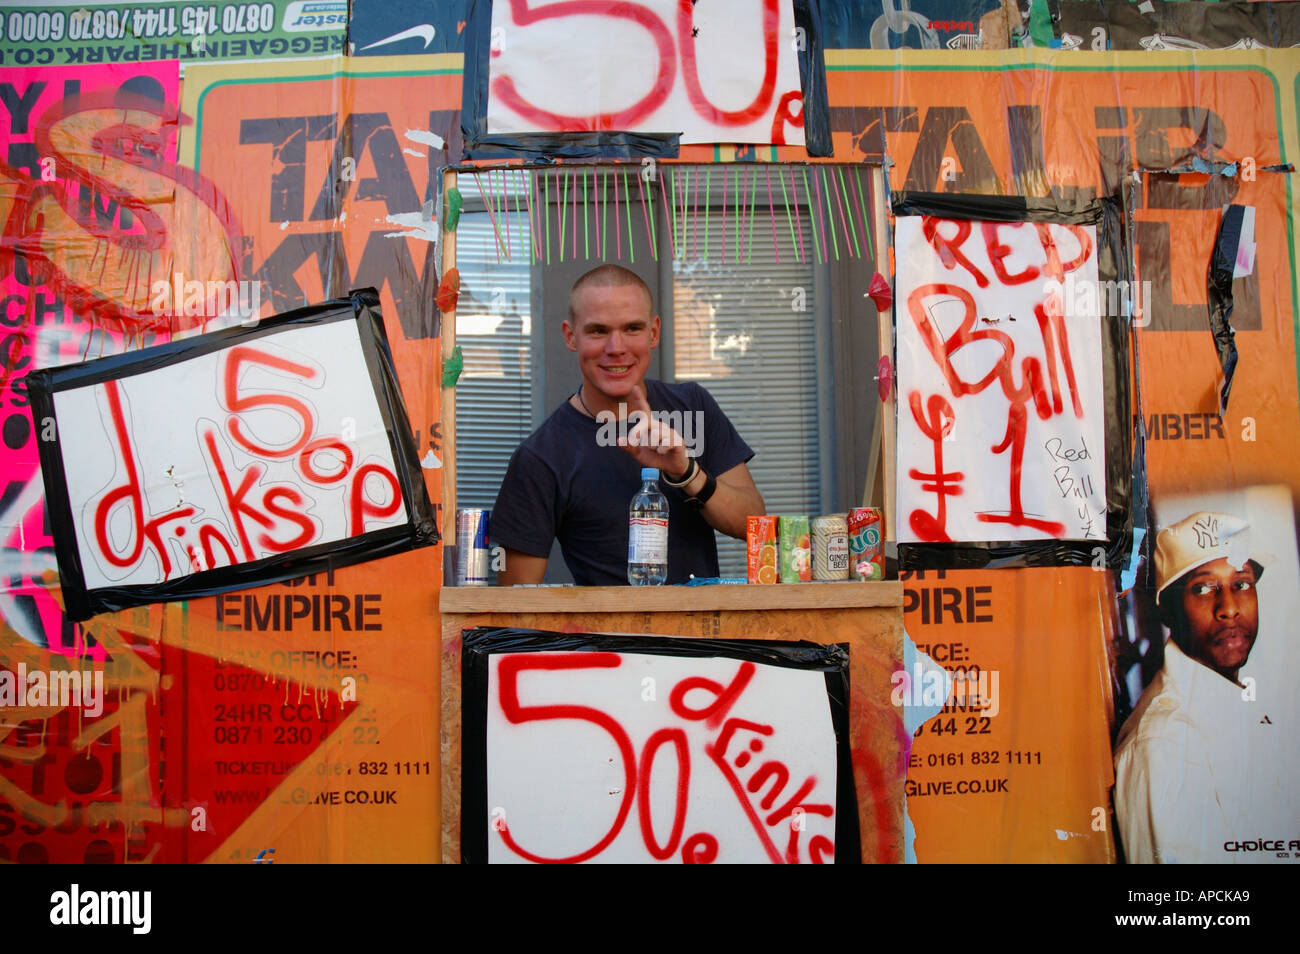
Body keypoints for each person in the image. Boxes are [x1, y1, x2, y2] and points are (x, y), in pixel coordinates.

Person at [492, 264, 765, 586]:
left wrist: (686, 472)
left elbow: (754, 526)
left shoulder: (693, 406)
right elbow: (515, 605)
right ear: (571, 336)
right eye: (598, 331)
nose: (616, 348)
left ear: (654, 332)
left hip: (705, 634)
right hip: (606, 637)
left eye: (632, 328)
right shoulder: (541, 456)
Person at [1113, 510, 1294, 863]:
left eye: (1241, 584)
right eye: (1204, 588)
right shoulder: (1166, 741)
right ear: (1168, 612)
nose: (1229, 608)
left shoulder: (1233, 706)